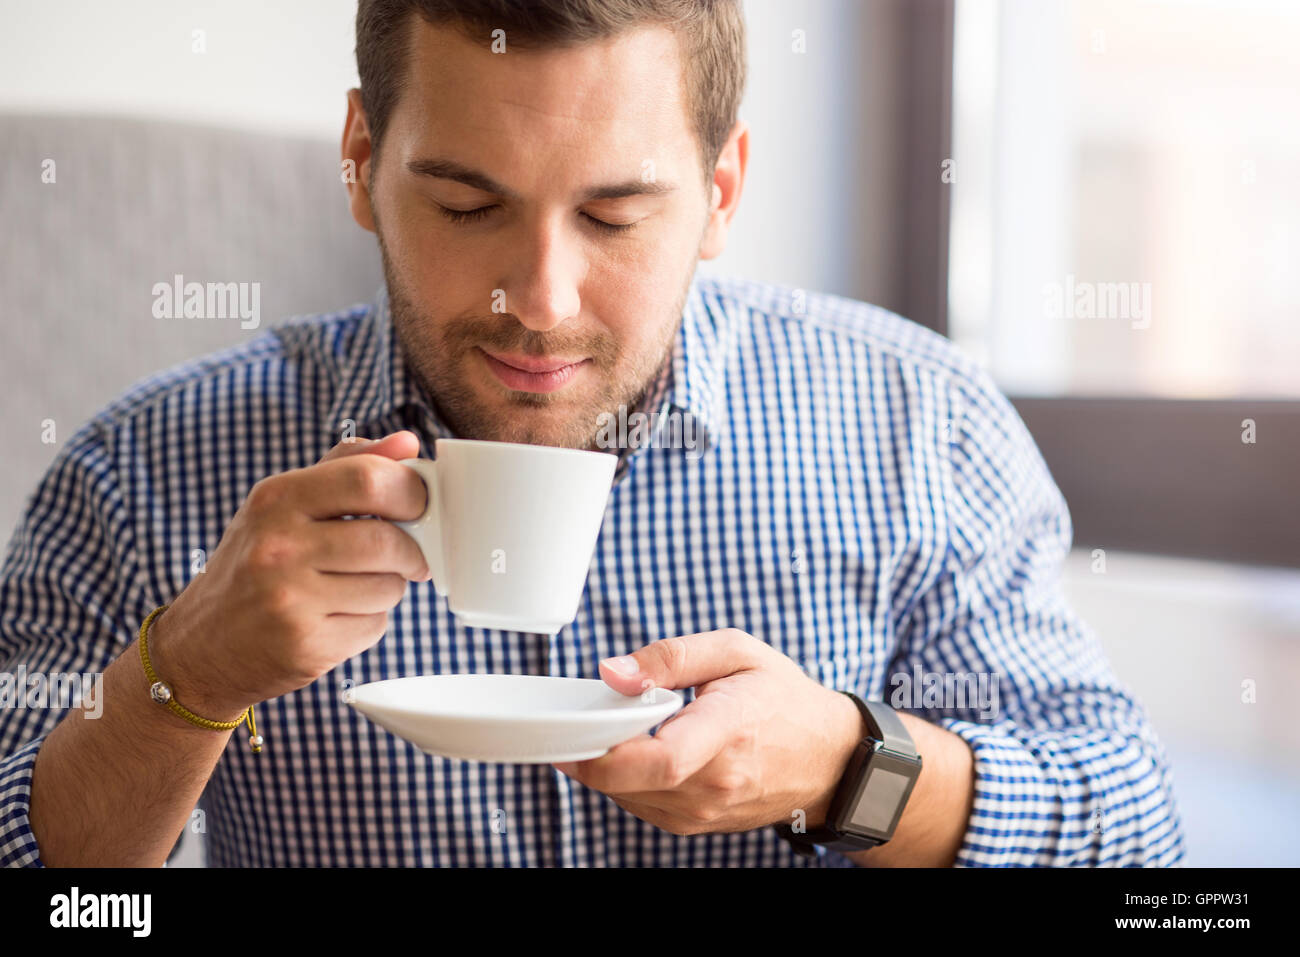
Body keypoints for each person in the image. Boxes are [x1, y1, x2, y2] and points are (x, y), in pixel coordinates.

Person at [0, 0, 1184, 867]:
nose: (543, 301)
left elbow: (1141, 848)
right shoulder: (142, 471)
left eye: (615, 215)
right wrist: (186, 677)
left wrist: (848, 770)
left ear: (722, 190)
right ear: (361, 162)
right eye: (468, 206)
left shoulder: (917, 424)